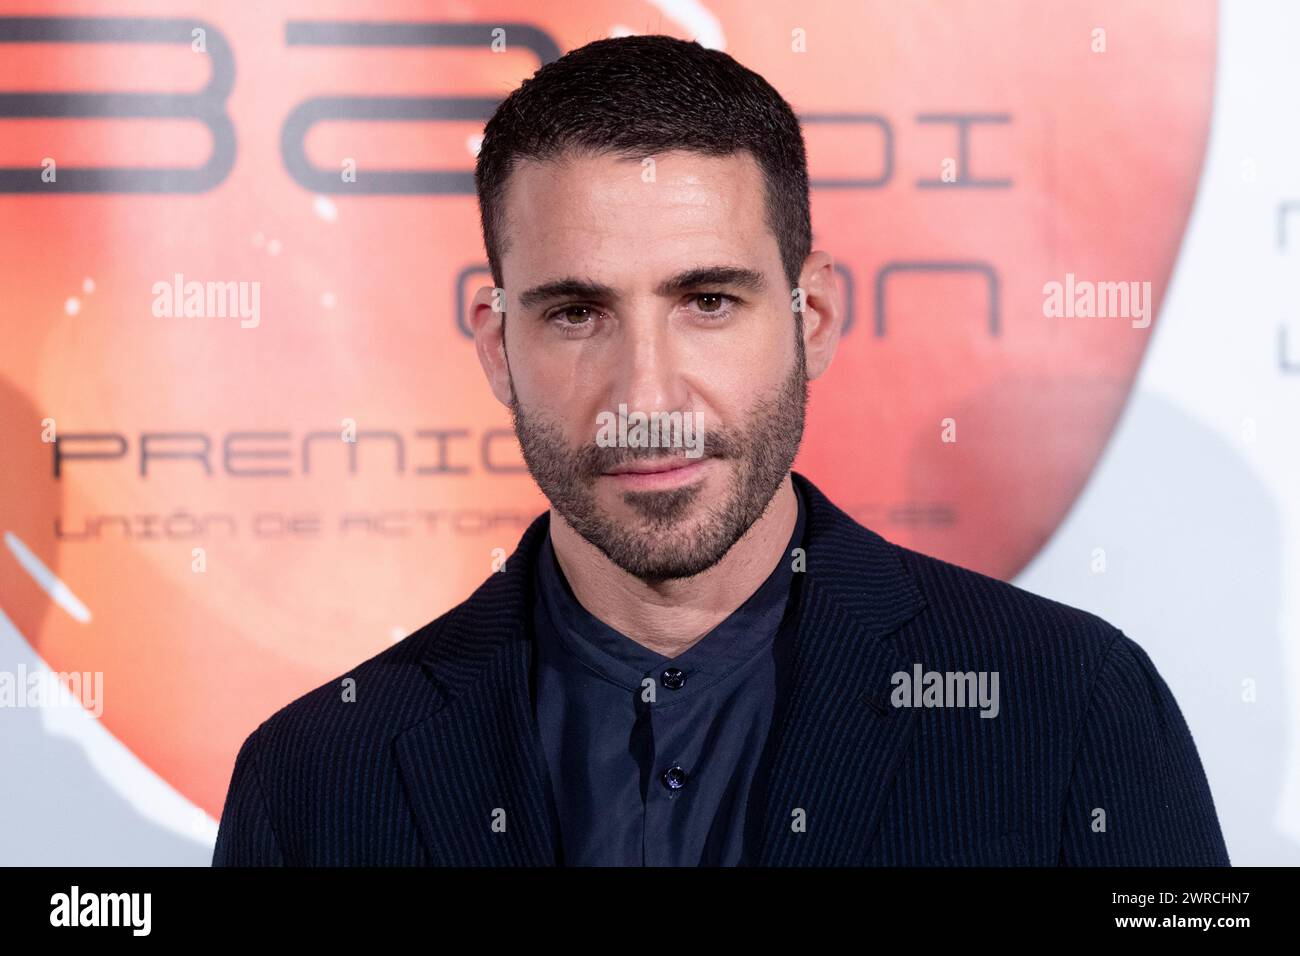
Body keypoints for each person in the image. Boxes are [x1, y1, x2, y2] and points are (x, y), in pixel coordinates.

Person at [212, 34, 1229, 867]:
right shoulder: (315, 778)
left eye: (706, 301)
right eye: (576, 312)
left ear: (814, 313)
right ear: (496, 344)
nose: (645, 395)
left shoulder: (1068, 704)